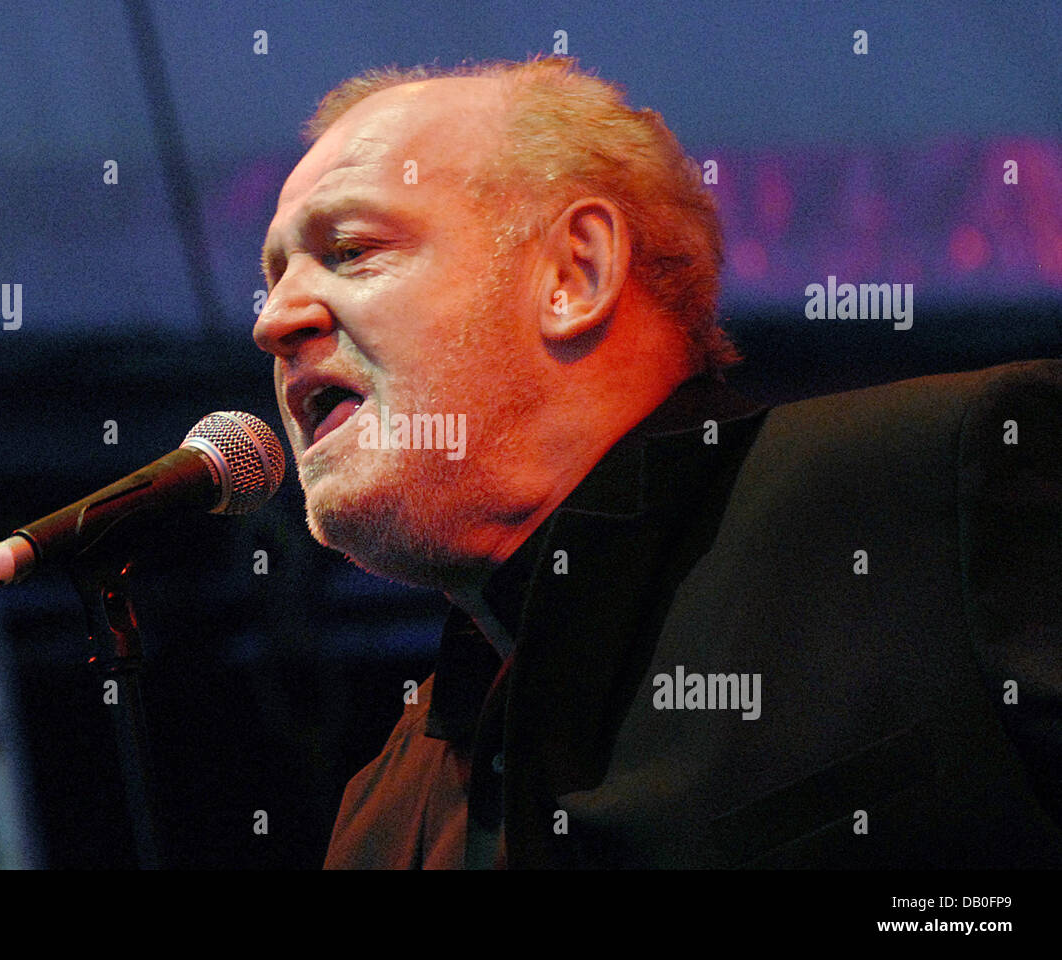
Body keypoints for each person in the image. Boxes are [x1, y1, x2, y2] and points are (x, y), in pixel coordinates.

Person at [252, 56, 1062, 868]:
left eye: (351, 250)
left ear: (575, 273)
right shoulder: (383, 812)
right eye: (275, 274)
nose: (276, 319)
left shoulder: (942, 490)